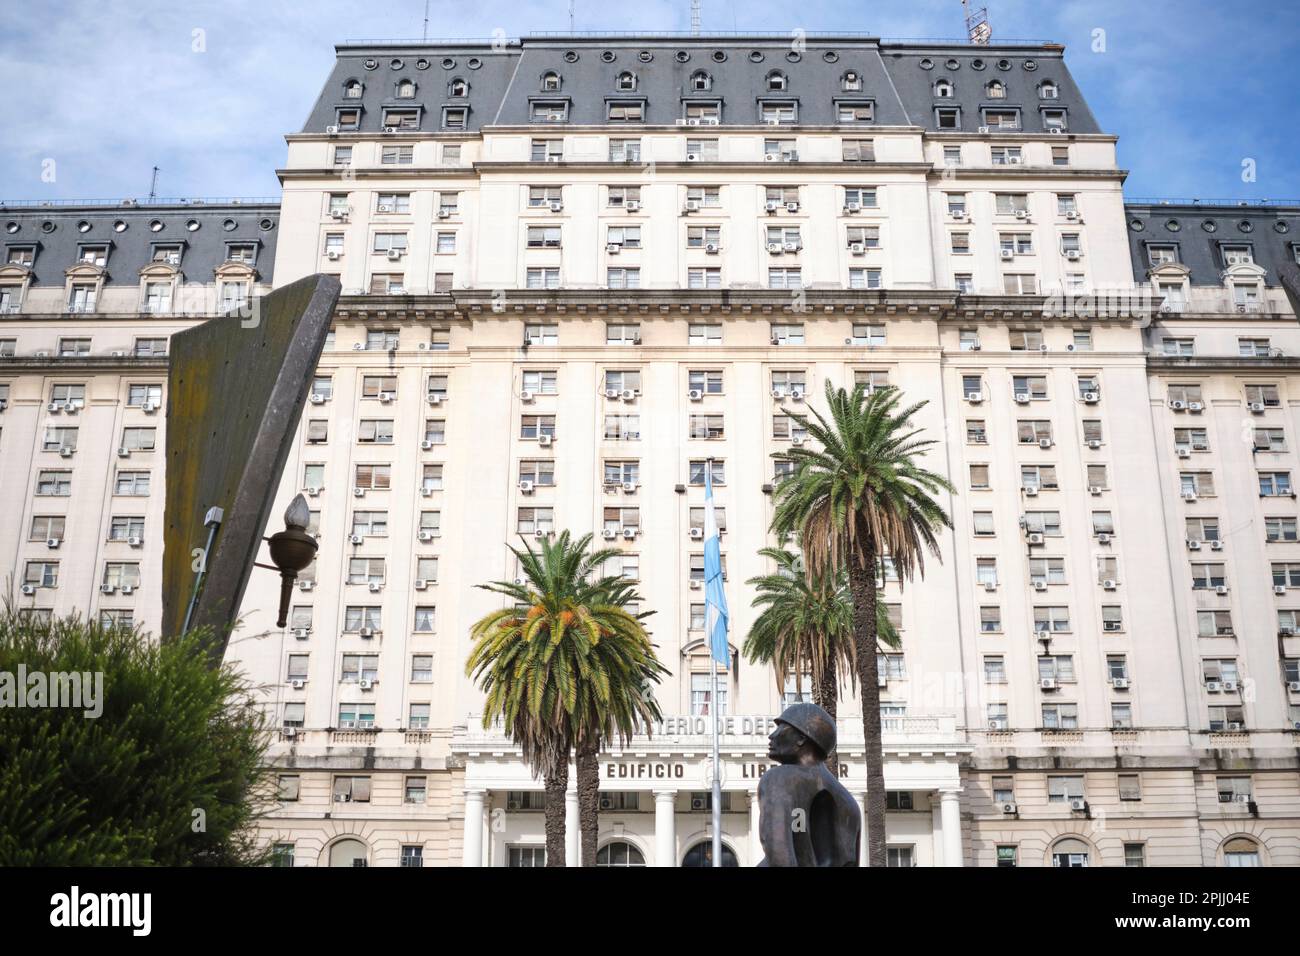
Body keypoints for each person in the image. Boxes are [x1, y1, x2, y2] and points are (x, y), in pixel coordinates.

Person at [757, 702, 861, 866]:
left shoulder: (780, 780)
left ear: (801, 738)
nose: (772, 736)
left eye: (781, 728)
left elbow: (778, 852)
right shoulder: (850, 803)